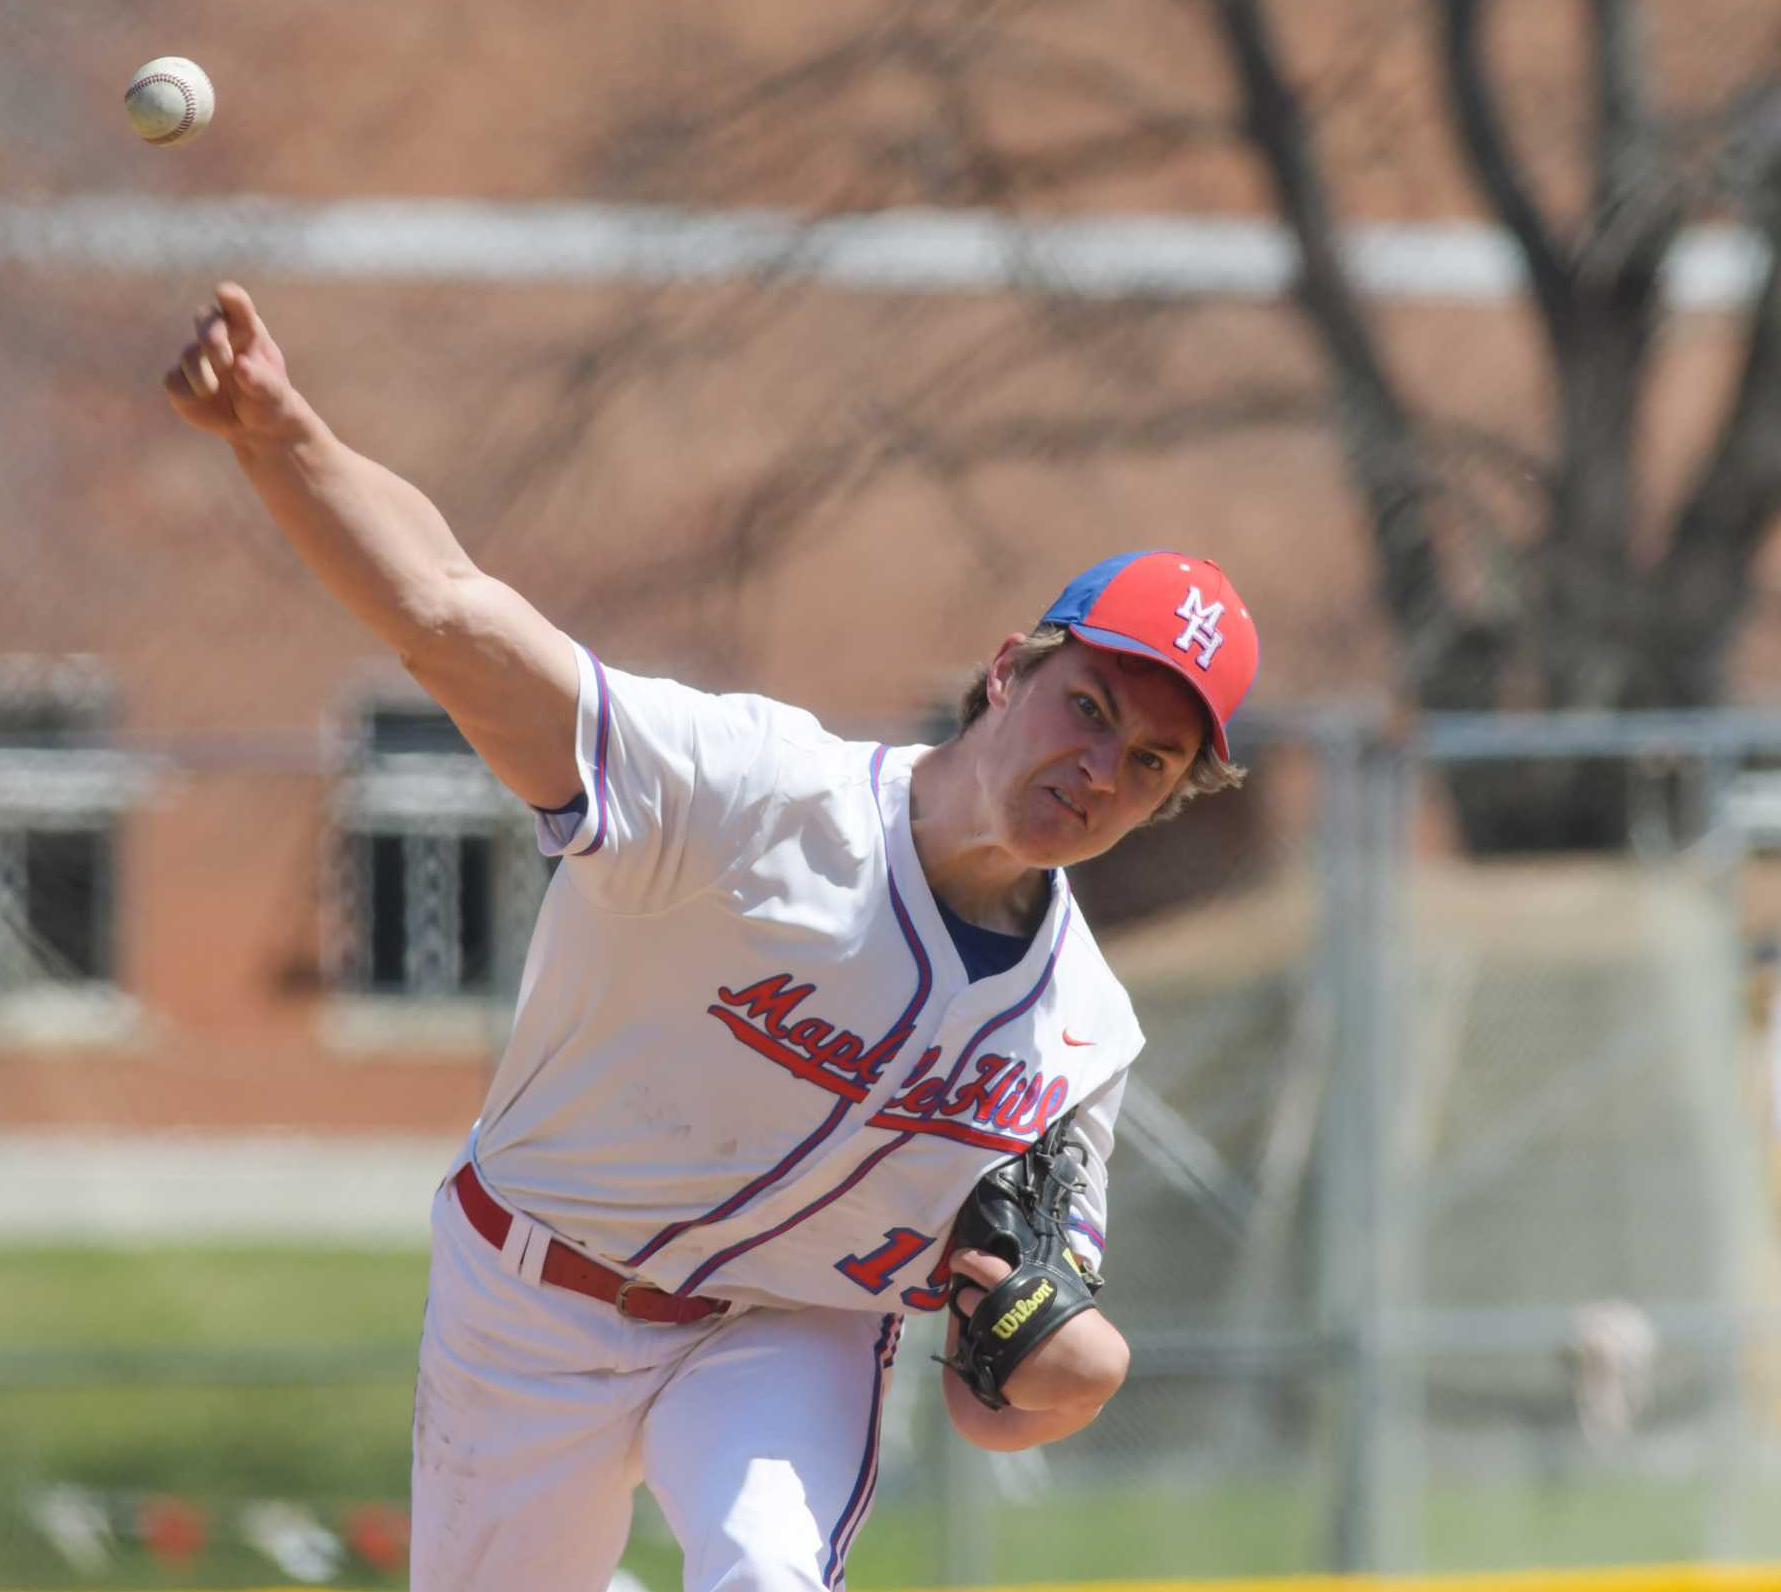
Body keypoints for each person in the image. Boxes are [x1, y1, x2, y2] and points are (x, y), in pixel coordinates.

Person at [164, 284, 1259, 1592]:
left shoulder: (1078, 1032)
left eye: (1149, 758)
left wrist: (1068, 1364)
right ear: (1008, 667)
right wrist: (281, 438)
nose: (1099, 766)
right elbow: (452, 616)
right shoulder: (750, 793)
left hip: (787, 1329)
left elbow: (992, 1395)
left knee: (764, 1569)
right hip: (533, 1289)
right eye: (1085, 704)